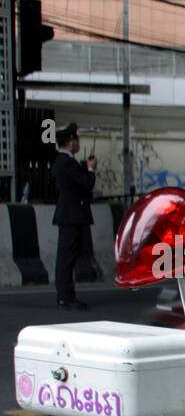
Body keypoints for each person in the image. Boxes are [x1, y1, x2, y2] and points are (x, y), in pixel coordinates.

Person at [52, 122, 96, 310]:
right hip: (71, 215)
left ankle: (66, 294)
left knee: (67, 257)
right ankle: (65, 296)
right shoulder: (66, 163)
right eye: (76, 140)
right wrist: (91, 169)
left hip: (71, 215)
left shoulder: (64, 162)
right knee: (67, 258)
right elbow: (86, 184)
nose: (78, 143)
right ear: (70, 142)